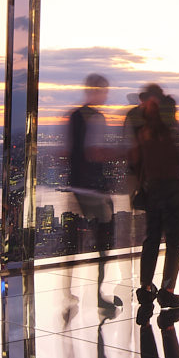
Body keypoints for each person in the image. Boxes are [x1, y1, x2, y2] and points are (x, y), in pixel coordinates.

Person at [128, 83, 179, 317]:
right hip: (170, 187)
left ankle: (147, 288)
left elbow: (139, 157)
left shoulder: (144, 126)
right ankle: (166, 289)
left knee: (153, 239)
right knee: (173, 241)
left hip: (153, 187)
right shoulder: (167, 123)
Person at [66, 74, 121, 315]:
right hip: (95, 189)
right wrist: (123, 154)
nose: (106, 95)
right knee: (104, 241)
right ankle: (98, 295)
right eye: (104, 91)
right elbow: (94, 153)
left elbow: (71, 152)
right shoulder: (96, 118)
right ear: (97, 90)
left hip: (76, 186)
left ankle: (68, 292)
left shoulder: (74, 116)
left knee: (73, 243)